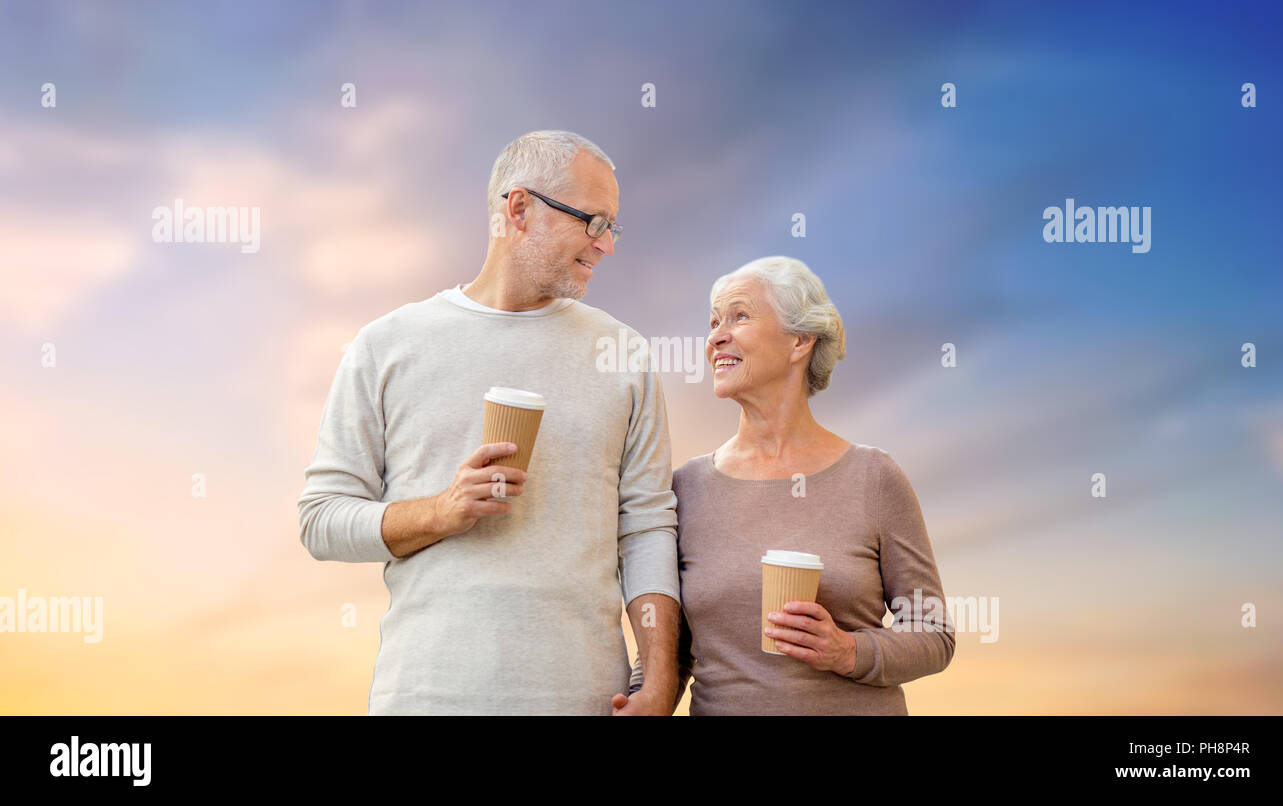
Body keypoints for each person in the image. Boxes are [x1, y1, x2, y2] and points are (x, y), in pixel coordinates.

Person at [298, 130, 681, 715]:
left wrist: (657, 682)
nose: (606, 246)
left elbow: (647, 526)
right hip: (426, 698)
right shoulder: (385, 345)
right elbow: (322, 520)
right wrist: (440, 511)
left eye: (613, 227)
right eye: (592, 222)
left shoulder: (622, 354)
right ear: (519, 209)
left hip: (583, 701)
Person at [633, 256, 955, 714]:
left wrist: (847, 651)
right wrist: (637, 697)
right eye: (713, 322)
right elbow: (669, 649)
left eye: (740, 316)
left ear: (801, 340)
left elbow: (933, 633)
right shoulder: (686, 488)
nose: (716, 338)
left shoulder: (875, 477)